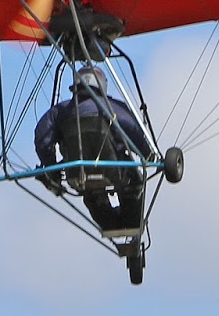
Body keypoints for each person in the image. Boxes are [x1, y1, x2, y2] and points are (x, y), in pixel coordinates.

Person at [34, 66, 151, 234]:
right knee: (133, 182)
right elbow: (132, 129)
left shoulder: (60, 111)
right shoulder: (112, 106)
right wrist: (147, 153)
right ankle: (131, 225)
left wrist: (51, 168)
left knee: (92, 193)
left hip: (76, 172)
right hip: (113, 169)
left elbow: (43, 139)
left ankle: (109, 223)